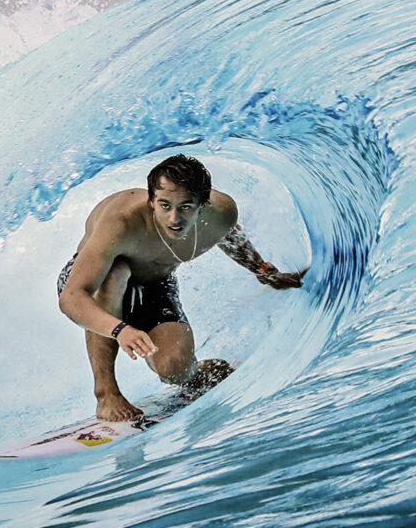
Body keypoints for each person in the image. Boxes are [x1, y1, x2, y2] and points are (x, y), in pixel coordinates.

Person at [56, 153, 304, 425]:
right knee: (116, 274)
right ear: (151, 201)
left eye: (186, 207)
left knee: (174, 369)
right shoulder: (121, 222)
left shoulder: (221, 213)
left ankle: (196, 373)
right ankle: (106, 394)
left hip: (156, 286)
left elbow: (228, 233)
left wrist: (264, 271)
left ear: (202, 205)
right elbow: (72, 297)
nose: (174, 218)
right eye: (164, 205)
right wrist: (120, 329)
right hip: (98, 284)